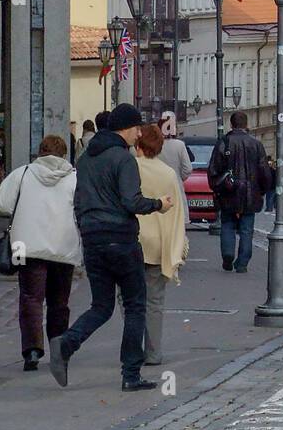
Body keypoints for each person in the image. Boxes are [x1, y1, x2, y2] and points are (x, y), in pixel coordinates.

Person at [49, 104, 171, 393]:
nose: (140, 134)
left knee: (101, 306)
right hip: (121, 239)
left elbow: (77, 201)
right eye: (137, 128)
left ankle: (65, 344)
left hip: (93, 239)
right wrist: (158, 205)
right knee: (135, 306)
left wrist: (88, 228)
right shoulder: (124, 159)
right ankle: (131, 374)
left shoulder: (85, 159)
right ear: (126, 129)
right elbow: (131, 201)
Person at [0, 134, 82, 374]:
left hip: (25, 245)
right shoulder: (74, 178)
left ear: (40, 152)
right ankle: (58, 346)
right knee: (59, 301)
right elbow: (82, 207)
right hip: (63, 246)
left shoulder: (22, 173)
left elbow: (1, 202)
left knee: (30, 297)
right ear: (64, 154)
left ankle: (32, 350)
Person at [134, 124, 188, 366]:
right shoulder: (168, 173)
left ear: (138, 144)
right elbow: (176, 213)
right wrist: (177, 247)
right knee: (154, 301)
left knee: (129, 299)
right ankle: (153, 352)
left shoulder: (130, 168)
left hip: (132, 240)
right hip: (158, 243)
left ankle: (133, 347)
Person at [208, 111, 273, 273]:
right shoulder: (256, 144)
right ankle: (243, 262)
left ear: (231, 124)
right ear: (246, 125)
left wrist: (216, 188)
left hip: (228, 193)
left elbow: (213, 169)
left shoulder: (224, 143)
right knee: (246, 229)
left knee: (228, 225)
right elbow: (264, 171)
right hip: (250, 194)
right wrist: (263, 190)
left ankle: (228, 255)